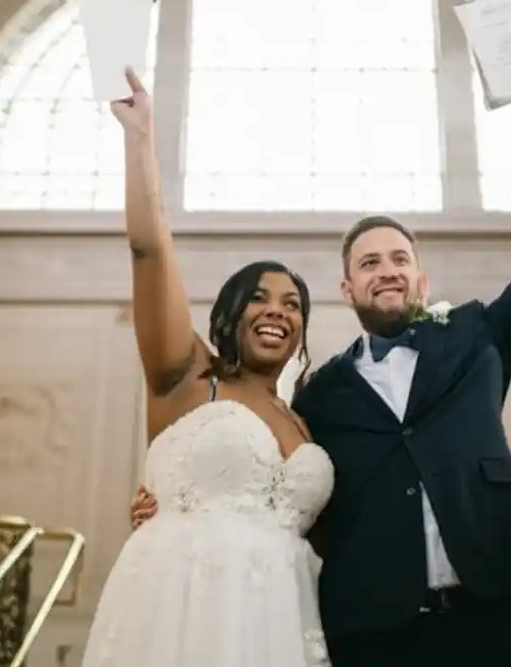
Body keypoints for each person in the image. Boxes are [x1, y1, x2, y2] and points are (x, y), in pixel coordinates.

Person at [133, 37, 511, 667]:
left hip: (485, 622)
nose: (386, 270)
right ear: (347, 287)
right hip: (367, 635)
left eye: (399, 259)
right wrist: (173, 503)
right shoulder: (317, 397)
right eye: (368, 262)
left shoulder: (479, 340)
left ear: (422, 279)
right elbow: (284, 497)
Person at [81, 69, 335, 667]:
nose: (277, 311)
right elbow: (150, 249)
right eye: (259, 297)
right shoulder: (188, 376)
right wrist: (140, 138)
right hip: (183, 610)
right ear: (227, 314)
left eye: (292, 303)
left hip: (282, 618)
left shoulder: (305, 417)